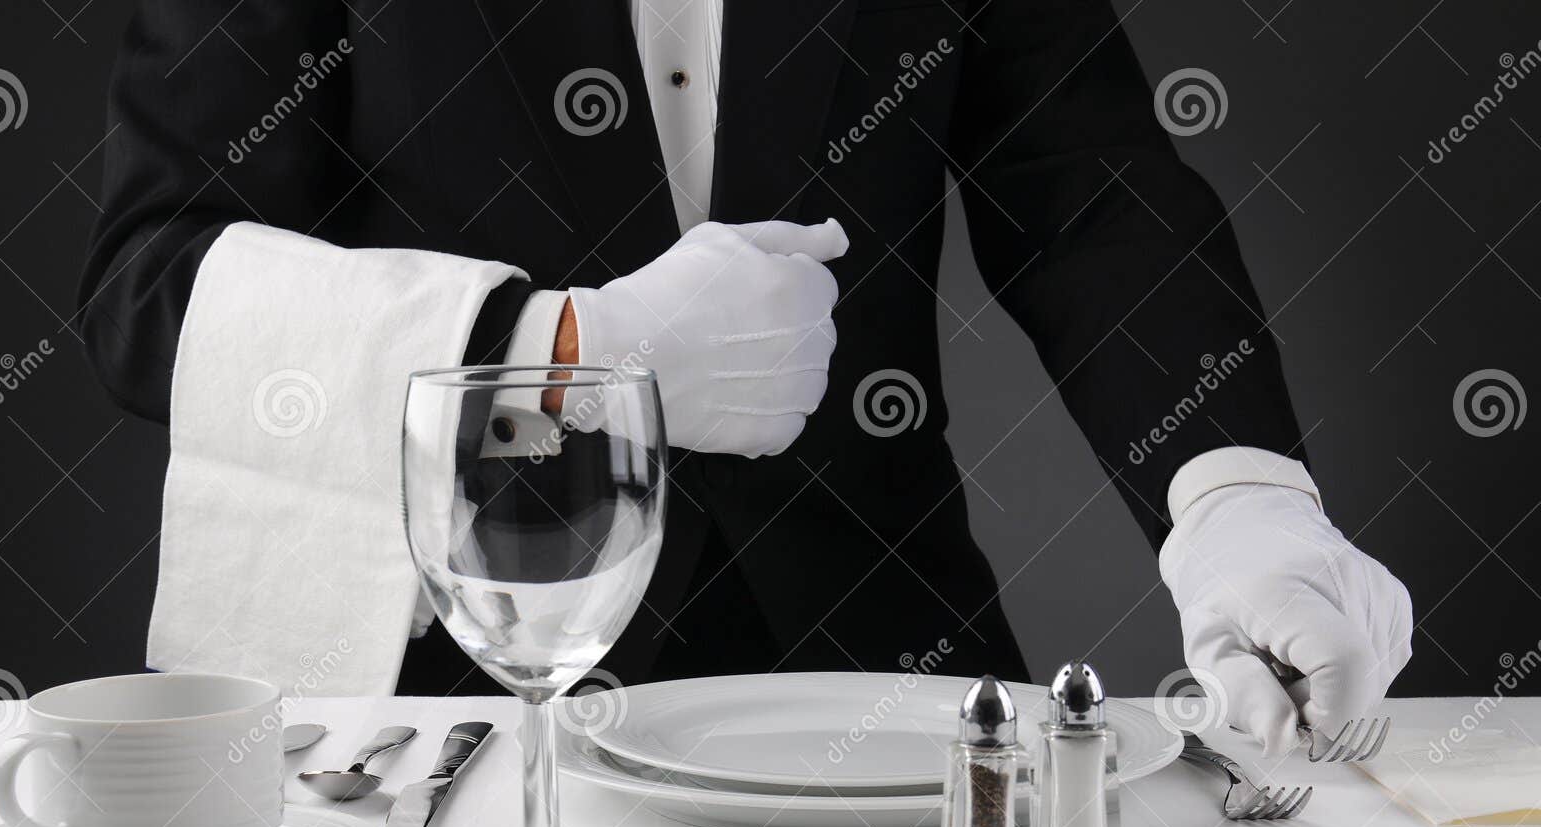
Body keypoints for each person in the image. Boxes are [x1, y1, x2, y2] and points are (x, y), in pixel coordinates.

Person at [78, 0, 1411, 756]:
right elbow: (155, 281)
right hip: (462, 711)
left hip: (886, 672)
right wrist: (558, 352)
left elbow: (1091, 196)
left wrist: (1239, 499)